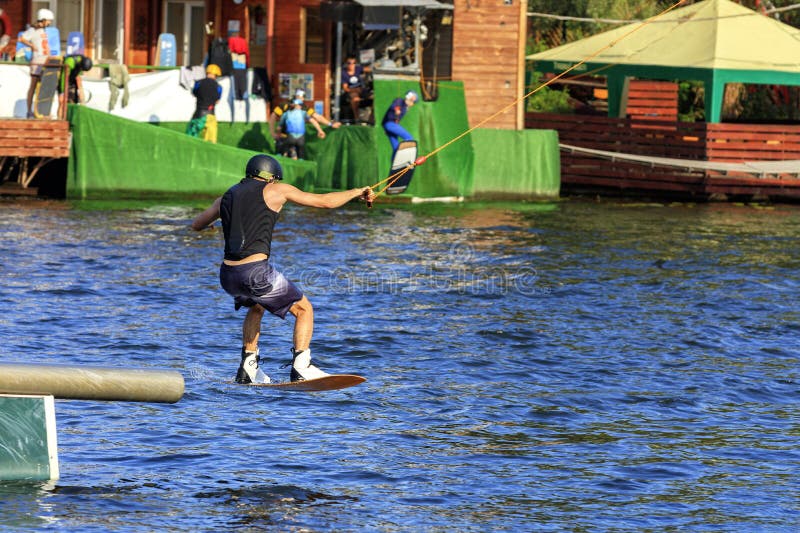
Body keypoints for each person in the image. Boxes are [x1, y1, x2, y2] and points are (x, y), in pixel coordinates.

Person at [190, 154, 375, 384]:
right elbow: (325, 201)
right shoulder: (276, 191)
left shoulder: (226, 196)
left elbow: (197, 224)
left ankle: (248, 368)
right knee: (304, 309)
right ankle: (301, 367)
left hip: (228, 276)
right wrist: (357, 191)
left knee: (257, 306)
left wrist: (212, 225)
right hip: (255, 272)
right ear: (271, 178)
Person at [269, 88, 340, 143]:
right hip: (284, 136)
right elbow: (273, 116)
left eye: (301, 97)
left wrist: (329, 124)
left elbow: (316, 117)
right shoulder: (285, 105)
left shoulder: (304, 108)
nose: (299, 98)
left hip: (296, 137)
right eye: (298, 96)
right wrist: (272, 133)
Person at [19, 9, 53, 118]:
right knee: (33, 86)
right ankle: (29, 111)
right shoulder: (33, 30)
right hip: (37, 60)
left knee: (43, 86)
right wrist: (32, 46)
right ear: (43, 19)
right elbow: (21, 38)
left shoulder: (43, 30)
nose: (49, 23)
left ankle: (41, 111)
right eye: (48, 20)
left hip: (45, 60)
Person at [186, 64, 222, 143]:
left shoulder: (198, 83)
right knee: (211, 142)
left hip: (198, 114)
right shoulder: (219, 87)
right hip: (211, 116)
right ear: (216, 75)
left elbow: (194, 93)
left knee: (189, 139)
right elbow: (217, 101)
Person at [341, 56, 366, 122]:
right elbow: (345, 88)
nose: (351, 65)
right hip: (351, 91)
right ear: (346, 64)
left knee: (375, 97)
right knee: (355, 99)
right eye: (349, 63)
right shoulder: (344, 73)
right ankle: (357, 119)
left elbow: (369, 69)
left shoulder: (358, 69)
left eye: (353, 63)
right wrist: (355, 90)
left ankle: (371, 119)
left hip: (362, 90)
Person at [227, 30, 249, 100]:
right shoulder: (243, 41)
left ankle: (236, 97)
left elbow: (229, 51)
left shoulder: (230, 40)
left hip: (233, 63)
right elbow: (247, 54)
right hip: (242, 63)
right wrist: (248, 64)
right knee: (242, 82)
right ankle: (242, 96)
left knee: (234, 83)